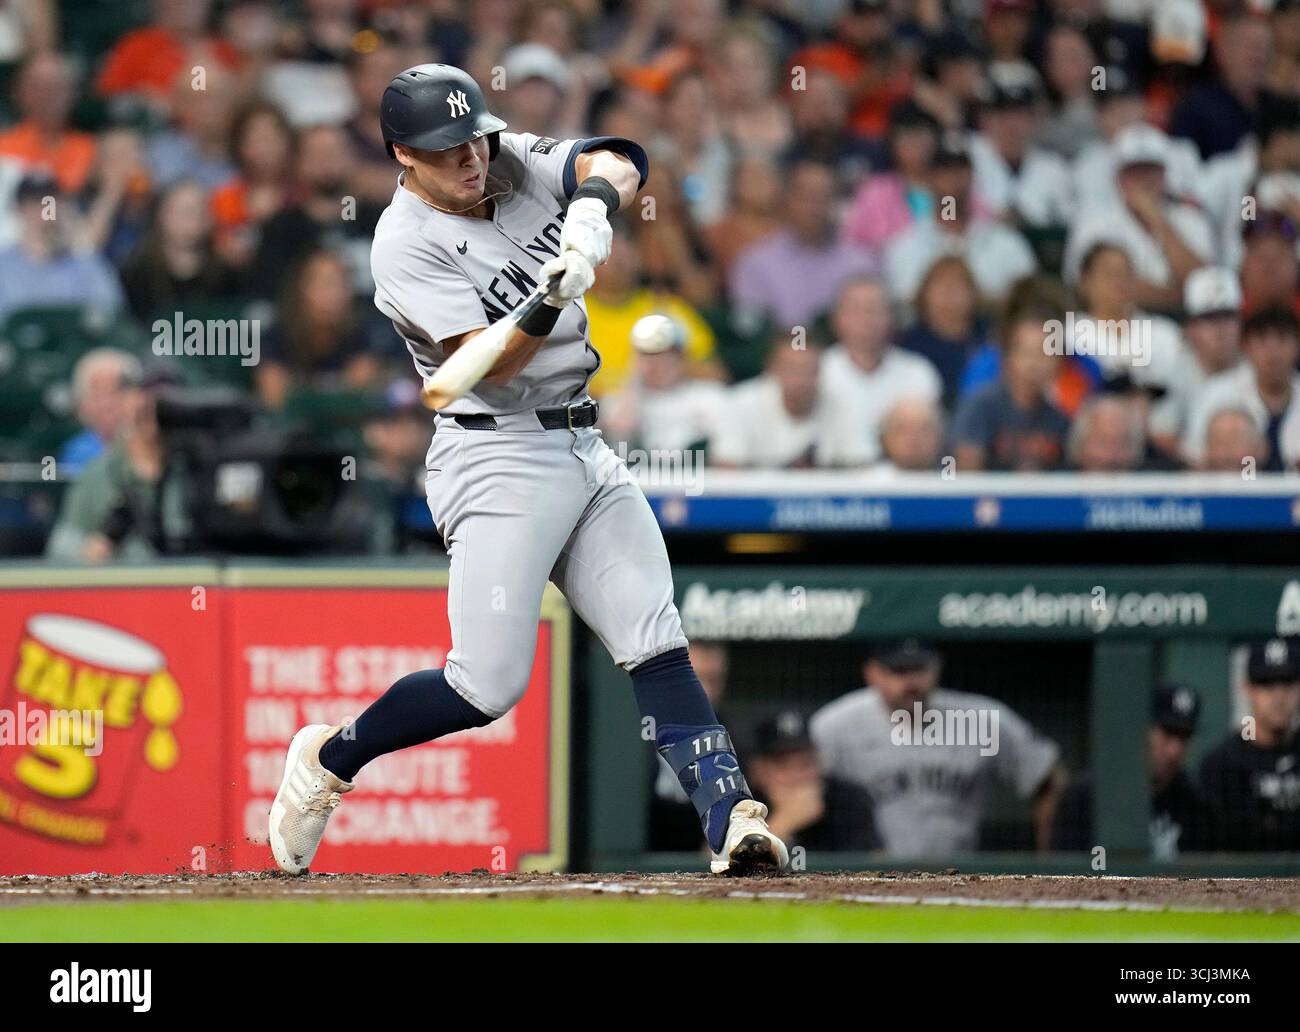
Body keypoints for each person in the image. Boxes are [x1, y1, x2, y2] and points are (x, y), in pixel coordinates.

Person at [269, 64, 787, 877]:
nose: (471, 158)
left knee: (653, 636)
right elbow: (488, 371)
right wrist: (550, 297)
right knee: (485, 686)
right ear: (403, 153)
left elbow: (618, 155)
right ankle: (330, 759)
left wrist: (589, 208)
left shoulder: (505, 155)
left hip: (584, 439)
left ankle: (733, 821)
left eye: (474, 136)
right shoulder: (403, 245)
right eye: (446, 150)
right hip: (496, 449)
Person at [810, 639, 1064, 858]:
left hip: (959, 873)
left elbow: (1049, 780)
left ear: (937, 667)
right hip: (868, 875)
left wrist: (1049, 861)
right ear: (872, 673)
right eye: (898, 670)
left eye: (919, 669)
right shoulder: (834, 725)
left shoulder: (983, 720)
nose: (911, 682)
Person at [1051, 685, 1214, 859]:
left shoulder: (1195, 804)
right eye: (1167, 734)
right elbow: (1065, 876)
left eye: (1185, 737)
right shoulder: (1085, 796)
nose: (1175, 751)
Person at [1064, 122, 1214, 309]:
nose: (1144, 180)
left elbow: (1205, 284)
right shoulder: (1094, 221)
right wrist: (1175, 295)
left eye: (1150, 170)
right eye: (1134, 171)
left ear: (1163, 174)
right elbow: (1091, 287)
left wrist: (1157, 220)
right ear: (1118, 178)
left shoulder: (1190, 217)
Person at [884, 131, 1037, 306]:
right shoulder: (905, 247)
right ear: (928, 179)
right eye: (943, 173)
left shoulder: (1006, 243)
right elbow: (904, 306)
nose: (952, 181)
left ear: (972, 176)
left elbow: (1027, 301)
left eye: (960, 171)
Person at [728, 159, 877, 329]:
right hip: (781, 351)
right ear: (786, 199)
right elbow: (751, 331)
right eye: (805, 197)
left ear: (836, 202)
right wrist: (798, 347)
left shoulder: (861, 263)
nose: (814, 206)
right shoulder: (755, 263)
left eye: (823, 196)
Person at [820, 278, 942, 465]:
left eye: (875, 310)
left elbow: (931, 443)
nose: (866, 319)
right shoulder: (817, 371)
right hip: (828, 479)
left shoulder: (918, 372)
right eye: (856, 310)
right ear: (837, 318)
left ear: (891, 317)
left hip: (903, 481)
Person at [1200, 638, 1300, 852]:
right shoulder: (1222, 765)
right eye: (1266, 683)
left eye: (1287, 682)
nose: (1279, 696)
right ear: (1247, 688)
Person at [951, 299, 1071, 472]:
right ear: (1007, 358)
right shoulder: (979, 407)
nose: (1035, 364)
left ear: (1059, 362)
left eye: (1045, 353)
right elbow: (966, 477)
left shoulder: (1059, 419)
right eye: (1027, 353)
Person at [709, 337, 861, 469]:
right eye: (791, 370)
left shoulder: (844, 405)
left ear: (820, 371)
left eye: (807, 370)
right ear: (772, 370)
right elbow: (727, 467)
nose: (799, 379)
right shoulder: (740, 404)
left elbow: (862, 467)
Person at [1182, 306, 1300, 472]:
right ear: (1246, 347)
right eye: (1262, 340)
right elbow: (1194, 458)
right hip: (1230, 491)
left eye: (1282, 338)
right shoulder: (1216, 393)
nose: (1272, 351)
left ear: (1297, 345)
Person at [746, 710, 879, 854]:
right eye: (781, 765)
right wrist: (784, 823)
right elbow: (734, 870)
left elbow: (874, 865)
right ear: (757, 770)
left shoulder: (847, 799)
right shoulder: (737, 804)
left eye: (806, 764)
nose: (796, 776)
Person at [1149, 266, 1242, 456]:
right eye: (1209, 318)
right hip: (1191, 477)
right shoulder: (1173, 372)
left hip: (1249, 473)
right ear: (1190, 328)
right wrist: (1200, 460)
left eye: (1227, 316)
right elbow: (1160, 432)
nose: (1220, 329)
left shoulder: (1257, 368)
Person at [58, 349, 142, 477]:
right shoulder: (76, 452)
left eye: (115, 392)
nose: (107, 404)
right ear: (81, 403)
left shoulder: (150, 446)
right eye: (97, 395)